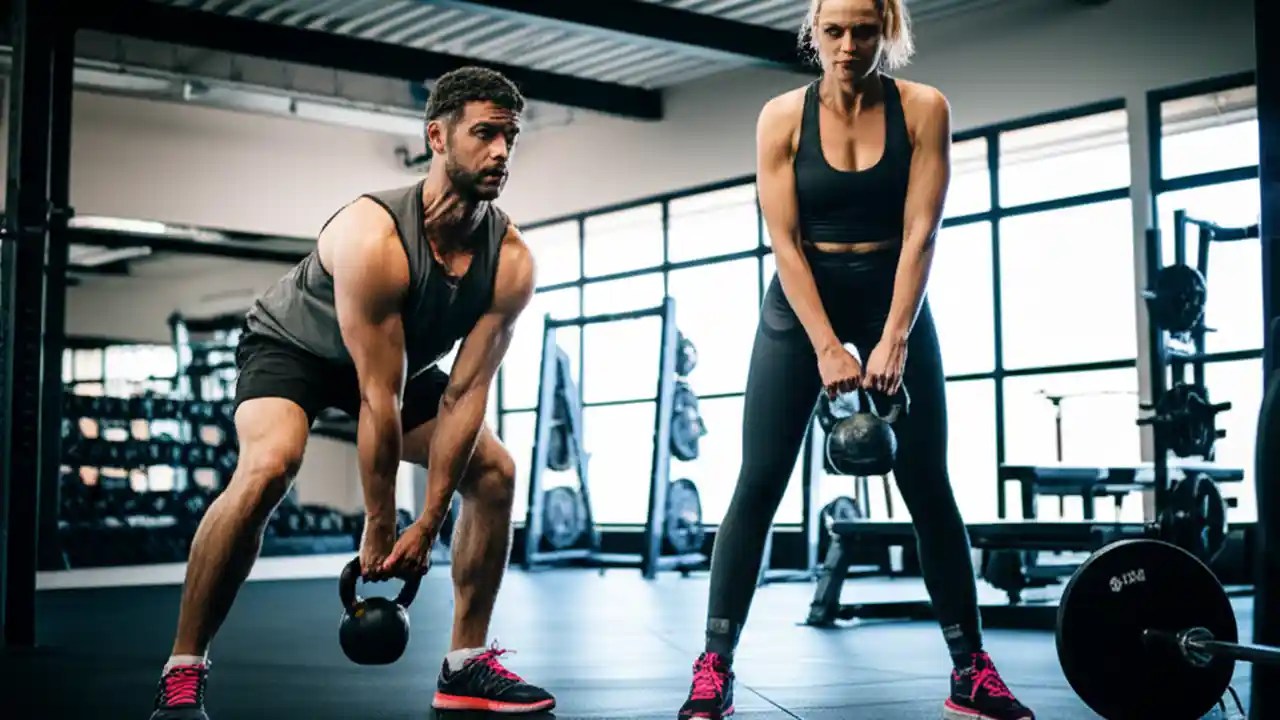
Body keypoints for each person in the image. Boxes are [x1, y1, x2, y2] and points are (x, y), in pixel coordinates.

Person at [149, 66, 555, 719]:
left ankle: (465, 666)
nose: (502, 152)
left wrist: (428, 523)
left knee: (496, 472)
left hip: (394, 368)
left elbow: (464, 395)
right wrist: (380, 523)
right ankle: (184, 666)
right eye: (484, 134)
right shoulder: (375, 237)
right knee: (268, 468)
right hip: (295, 348)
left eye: (511, 137)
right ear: (437, 137)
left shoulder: (510, 261)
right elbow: (378, 399)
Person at [677, 2, 1035, 719]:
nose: (847, 46)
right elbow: (783, 241)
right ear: (815, 32)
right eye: (834, 31)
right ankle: (714, 665)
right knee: (759, 482)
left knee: (929, 484)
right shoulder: (780, 116)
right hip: (801, 305)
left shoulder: (924, 109)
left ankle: (971, 670)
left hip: (892, 300)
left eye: (864, 31)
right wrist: (825, 345)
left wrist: (895, 335)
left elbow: (921, 233)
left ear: (888, 32)